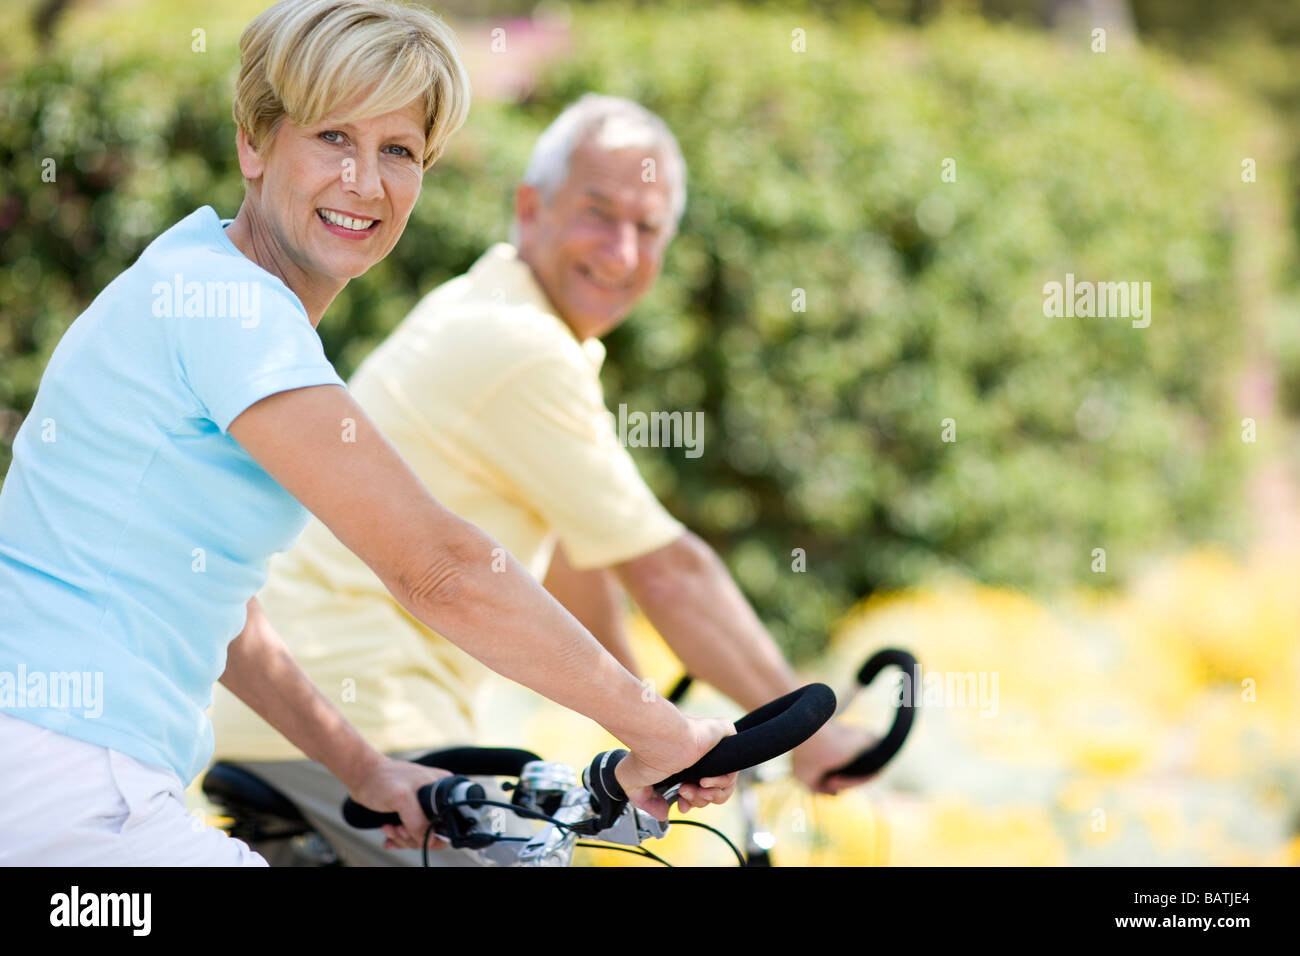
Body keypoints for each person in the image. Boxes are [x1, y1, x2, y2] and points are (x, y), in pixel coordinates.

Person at [0, 2, 736, 867]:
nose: (364, 181)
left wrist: (364, 769)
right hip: (72, 780)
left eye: (398, 151)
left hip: (69, 771)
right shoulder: (232, 310)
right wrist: (659, 729)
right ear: (254, 143)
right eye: (332, 138)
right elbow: (440, 569)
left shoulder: (205, 281)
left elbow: (225, 616)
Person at [210, 94, 879, 867]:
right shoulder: (520, 346)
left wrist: (656, 722)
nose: (622, 252)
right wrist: (813, 740)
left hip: (300, 714)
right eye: (599, 213)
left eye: (647, 227)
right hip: (363, 725)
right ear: (532, 210)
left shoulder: (490, 310)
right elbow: (668, 571)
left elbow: (575, 566)